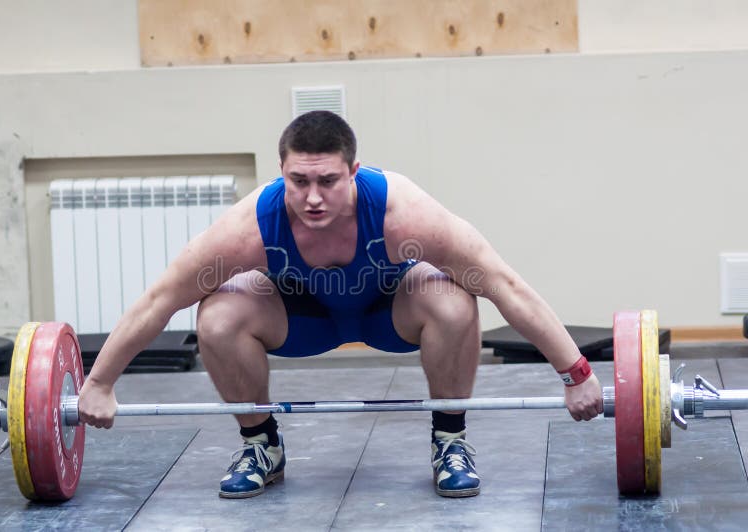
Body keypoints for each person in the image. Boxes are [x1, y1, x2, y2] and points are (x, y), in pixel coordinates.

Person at [78, 110, 603, 499]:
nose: (312, 197)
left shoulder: (403, 215)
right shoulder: (249, 228)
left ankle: (450, 439)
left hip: (388, 311)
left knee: (455, 298)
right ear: (280, 171)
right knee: (216, 314)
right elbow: (160, 300)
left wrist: (576, 372)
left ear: (354, 171)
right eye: (298, 181)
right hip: (301, 317)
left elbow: (503, 284)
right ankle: (262, 445)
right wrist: (99, 382)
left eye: (327, 181)